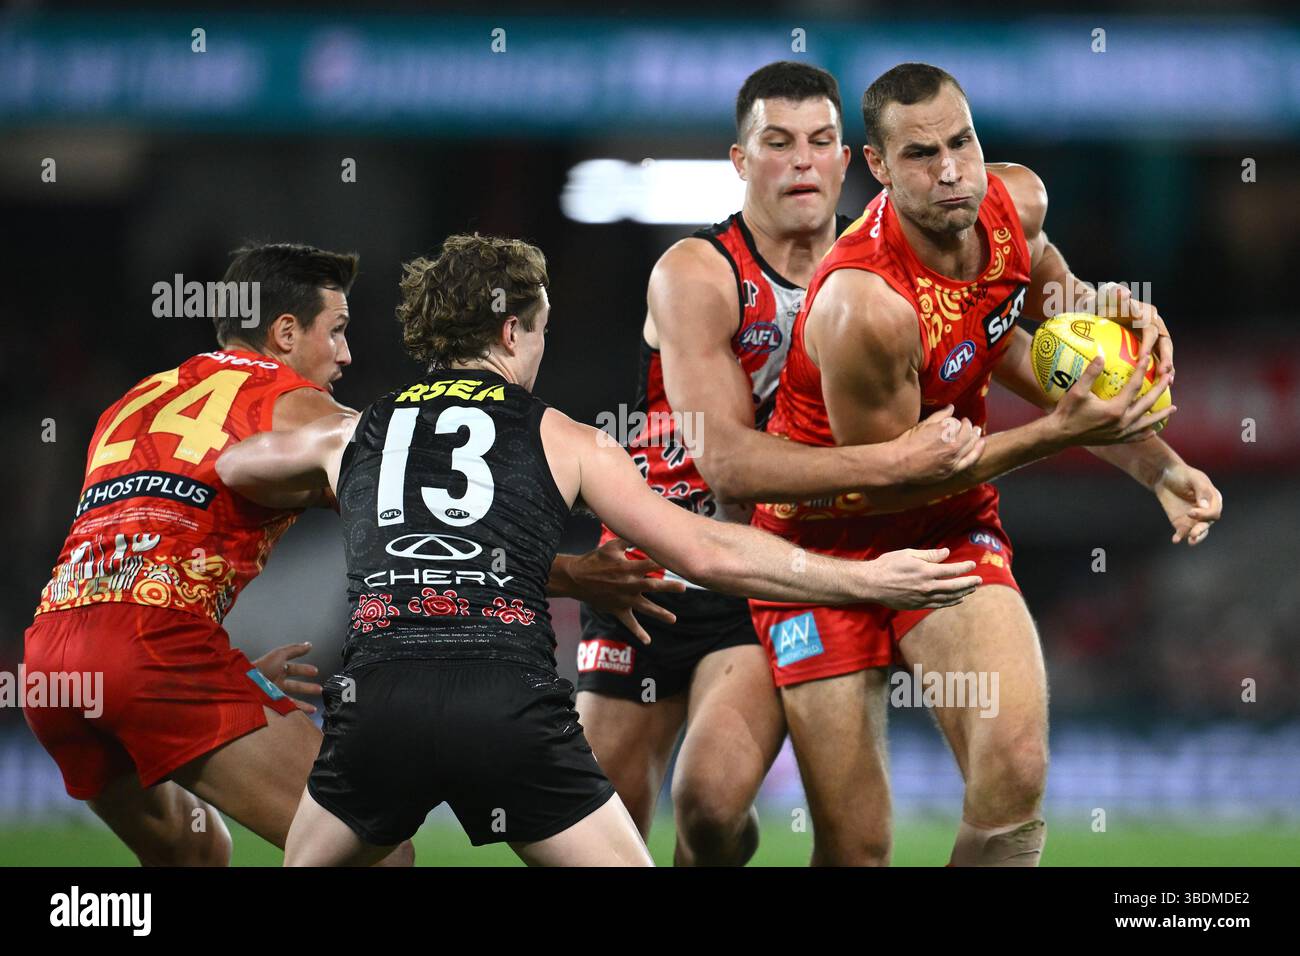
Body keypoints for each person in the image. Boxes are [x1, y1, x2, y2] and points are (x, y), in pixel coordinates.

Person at [214, 233, 985, 866]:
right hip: (504, 710)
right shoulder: (565, 437)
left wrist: (350, 496)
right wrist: (865, 577)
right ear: (512, 330)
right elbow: (708, 553)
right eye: (542, 327)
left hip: (378, 707)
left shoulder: (352, 432)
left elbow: (232, 467)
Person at [22, 241, 660, 866]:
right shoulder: (300, 410)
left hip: (51, 660)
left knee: (193, 848)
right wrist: (576, 574)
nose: (347, 354)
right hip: (154, 652)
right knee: (378, 854)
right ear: (286, 332)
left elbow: (132, 541)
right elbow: (433, 539)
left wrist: (214, 666)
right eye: (337, 330)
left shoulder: (132, 401)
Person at [748, 63, 1223, 866]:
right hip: (825, 549)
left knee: (1016, 770)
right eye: (922, 155)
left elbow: (1045, 334)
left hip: (948, 525)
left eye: (962, 142)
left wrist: (1126, 351)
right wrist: (1053, 434)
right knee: (857, 847)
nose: (952, 172)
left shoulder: (1016, 207)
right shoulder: (865, 305)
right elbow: (888, 478)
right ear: (879, 167)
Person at [576, 60, 984, 866]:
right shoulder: (697, 271)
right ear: (739, 161)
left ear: (848, 160)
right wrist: (898, 460)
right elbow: (726, 465)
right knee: (601, 829)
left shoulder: (889, 271)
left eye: (821, 141)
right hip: (648, 571)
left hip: (766, 575)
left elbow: (1008, 303)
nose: (802, 160)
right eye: (778, 142)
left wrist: (1093, 314)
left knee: (710, 806)